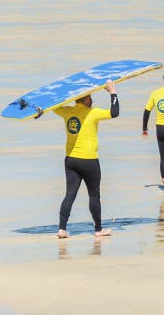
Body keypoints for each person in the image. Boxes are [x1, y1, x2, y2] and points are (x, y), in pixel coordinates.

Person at [53, 79, 118, 238]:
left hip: (71, 160)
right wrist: (112, 92)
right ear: (86, 99)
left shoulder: (67, 112)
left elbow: (53, 105)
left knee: (70, 194)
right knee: (94, 195)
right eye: (90, 97)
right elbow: (114, 112)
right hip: (89, 161)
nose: (92, 100)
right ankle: (98, 230)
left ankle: (62, 229)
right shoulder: (93, 112)